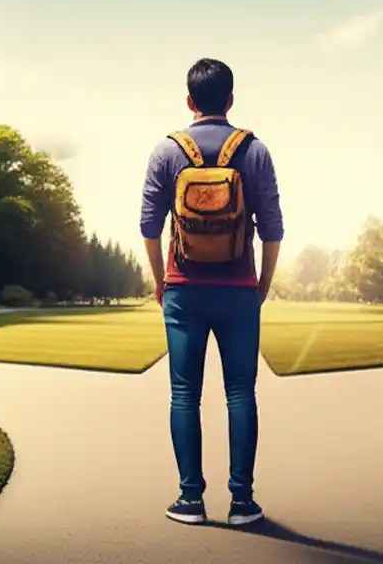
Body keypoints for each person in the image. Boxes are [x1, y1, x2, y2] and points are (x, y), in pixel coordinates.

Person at [139, 58, 283, 527]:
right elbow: (274, 229)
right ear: (231, 100)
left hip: (184, 291)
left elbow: (148, 226)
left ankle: (190, 501)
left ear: (189, 101)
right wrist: (261, 284)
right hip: (240, 289)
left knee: (185, 394)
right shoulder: (255, 151)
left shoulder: (166, 152)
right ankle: (242, 503)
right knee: (240, 392)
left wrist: (161, 282)